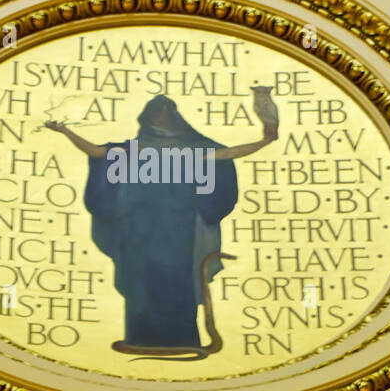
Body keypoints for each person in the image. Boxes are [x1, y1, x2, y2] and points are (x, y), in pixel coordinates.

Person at [45, 94, 278, 357]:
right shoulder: (135, 149)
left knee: (178, 281)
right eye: (156, 112)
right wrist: (65, 131)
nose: (161, 118)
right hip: (138, 229)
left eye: (166, 113)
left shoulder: (193, 150)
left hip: (180, 230)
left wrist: (264, 141)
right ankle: (140, 338)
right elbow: (96, 152)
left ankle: (182, 340)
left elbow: (229, 154)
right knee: (140, 284)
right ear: (147, 117)